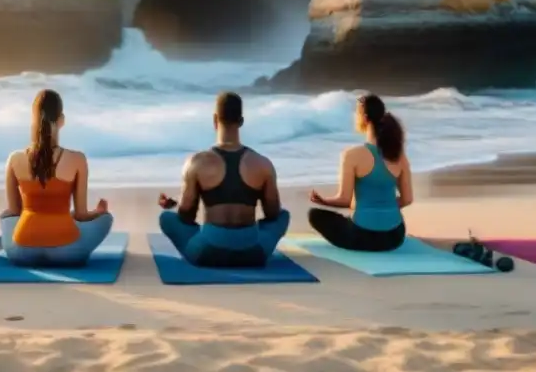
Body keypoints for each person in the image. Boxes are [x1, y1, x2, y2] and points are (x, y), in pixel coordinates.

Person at [157, 91, 290, 267]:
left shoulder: (197, 162)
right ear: (241, 121)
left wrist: (174, 204)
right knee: (284, 216)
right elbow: (272, 214)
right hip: (252, 254)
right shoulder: (263, 164)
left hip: (207, 254)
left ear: (215, 120)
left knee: (166, 218)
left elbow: (187, 216)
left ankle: (204, 239)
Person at [0, 89, 113, 266]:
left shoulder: (14, 159)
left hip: (21, 251)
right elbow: (81, 215)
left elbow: (14, 211)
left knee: (6, 216)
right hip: (67, 252)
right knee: (106, 218)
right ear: (61, 120)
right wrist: (98, 212)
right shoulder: (77, 159)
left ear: (34, 119)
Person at [308, 94, 412, 252]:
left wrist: (323, 201)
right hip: (395, 237)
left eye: (356, 112)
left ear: (364, 118)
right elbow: (407, 199)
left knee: (314, 215)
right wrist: (383, 207)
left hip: (362, 236)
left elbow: (344, 199)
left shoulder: (352, 155)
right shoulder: (399, 156)